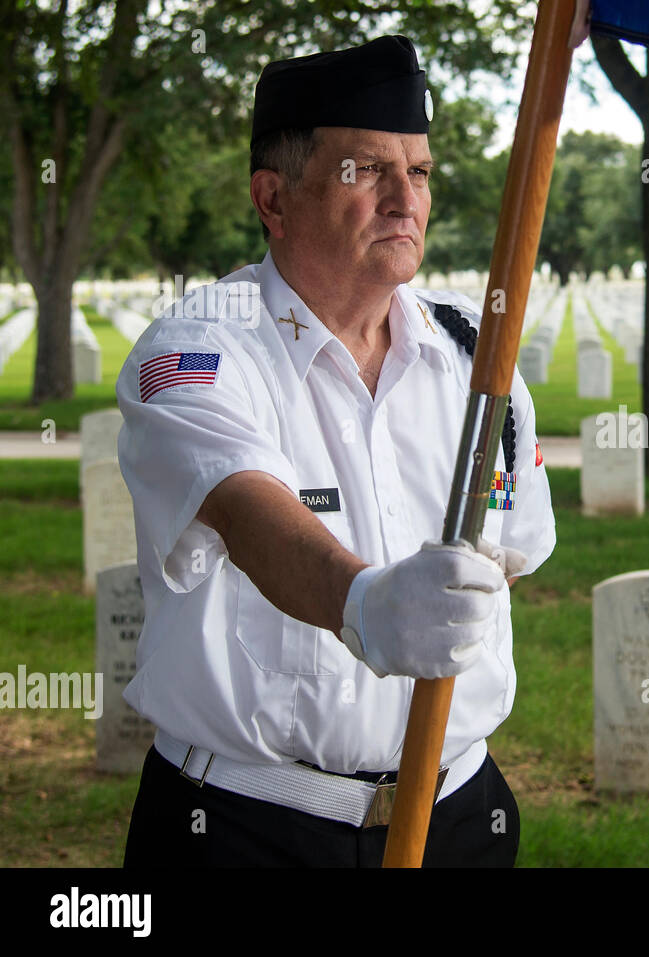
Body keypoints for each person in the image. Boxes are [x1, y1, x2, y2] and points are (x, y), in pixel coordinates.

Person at [116, 34, 555, 867]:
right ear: (274, 199)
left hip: (456, 813)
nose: (405, 201)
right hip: (247, 828)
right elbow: (250, 513)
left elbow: (515, 547)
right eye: (367, 171)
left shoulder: (476, 353)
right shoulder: (198, 349)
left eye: (419, 172)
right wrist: (367, 602)